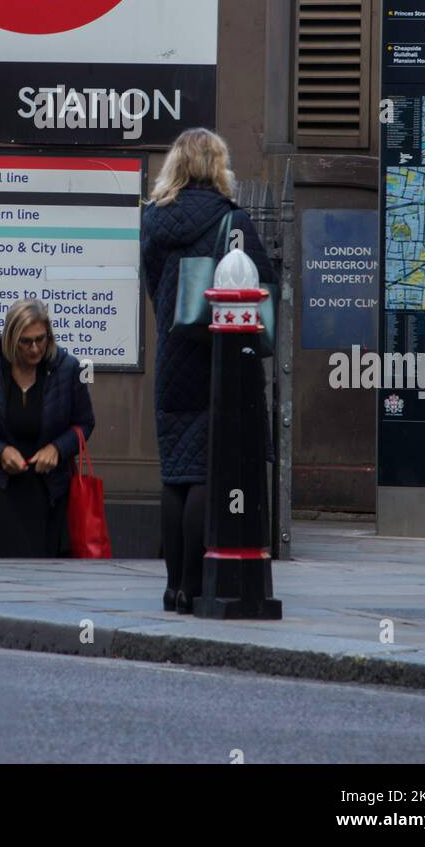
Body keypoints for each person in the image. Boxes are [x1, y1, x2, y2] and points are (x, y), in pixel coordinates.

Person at [141, 128, 274, 614]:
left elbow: (153, 287)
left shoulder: (153, 220)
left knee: (174, 474)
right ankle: (198, 583)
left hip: (172, 354)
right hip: (219, 358)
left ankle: (174, 585)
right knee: (203, 473)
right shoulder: (231, 219)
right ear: (216, 166)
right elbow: (264, 281)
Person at [0, 299, 95, 558]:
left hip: (49, 496)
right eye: (26, 341)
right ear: (10, 338)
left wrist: (57, 449)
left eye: (41, 339)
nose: (35, 348)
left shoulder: (67, 368)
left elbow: (85, 423)